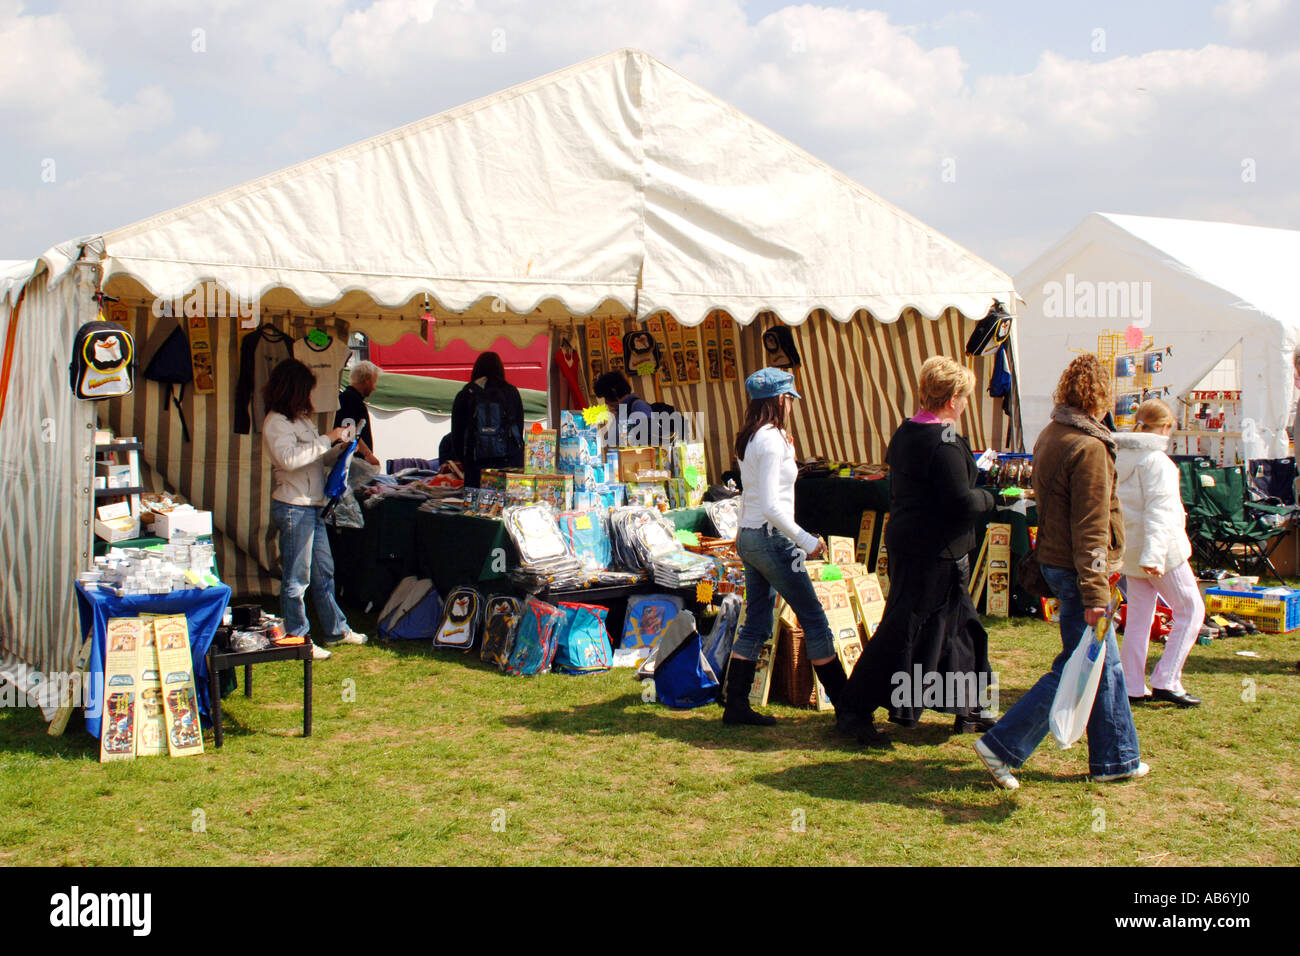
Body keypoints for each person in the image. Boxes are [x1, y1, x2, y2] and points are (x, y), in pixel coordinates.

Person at [974, 354, 1147, 789]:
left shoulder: (1054, 433)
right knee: (1079, 667)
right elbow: (1090, 528)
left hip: (1059, 562)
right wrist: (1095, 593)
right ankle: (1002, 746)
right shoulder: (1089, 446)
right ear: (1102, 397)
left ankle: (1117, 758)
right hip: (1078, 569)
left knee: (1101, 665)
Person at [836, 356, 1000, 744]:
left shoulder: (909, 431)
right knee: (903, 631)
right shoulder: (939, 441)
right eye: (964, 396)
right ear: (954, 397)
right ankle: (854, 708)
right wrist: (992, 499)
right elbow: (960, 500)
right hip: (931, 551)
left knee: (961, 630)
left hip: (925, 546)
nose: (965, 403)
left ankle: (970, 707)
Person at [722, 367, 849, 726]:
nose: (792, 404)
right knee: (813, 618)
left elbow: (755, 494)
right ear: (781, 399)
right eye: (790, 398)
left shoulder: (751, 437)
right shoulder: (772, 439)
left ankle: (736, 705)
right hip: (770, 537)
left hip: (751, 535)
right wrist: (807, 541)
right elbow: (772, 506)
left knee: (758, 621)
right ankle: (846, 708)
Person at [262, 358, 368, 661]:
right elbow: (290, 460)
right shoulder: (276, 422)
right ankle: (297, 636)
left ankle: (336, 630)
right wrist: (328, 439)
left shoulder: (299, 420)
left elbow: (314, 458)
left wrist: (340, 448)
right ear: (294, 390)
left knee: (323, 571)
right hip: (294, 505)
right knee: (297, 577)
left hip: (312, 504)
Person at [1115, 399, 1203, 707]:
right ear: (1166, 427)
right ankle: (1167, 679)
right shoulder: (1157, 461)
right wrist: (1153, 556)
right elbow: (1160, 512)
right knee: (1191, 610)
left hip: (1133, 551)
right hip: (1160, 552)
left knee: (1140, 617)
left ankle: (1131, 684)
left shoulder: (1120, 457)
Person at [450, 351, 524, 487]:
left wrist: (467, 459)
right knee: (509, 507)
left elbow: (456, 435)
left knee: (476, 505)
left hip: (475, 466)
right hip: (508, 465)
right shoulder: (511, 392)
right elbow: (518, 429)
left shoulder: (466, 394)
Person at [336, 360, 381, 467]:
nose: (374, 388)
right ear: (366, 380)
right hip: (352, 462)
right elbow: (349, 430)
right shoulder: (350, 399)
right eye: (374, 382)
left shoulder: (350, 398)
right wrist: (368, 454)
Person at [593, 371, 655, 443]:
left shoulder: (638, 406)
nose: (606, 402)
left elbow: (649, 437)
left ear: (614, 392)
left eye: (606, 397)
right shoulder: (622, 409)